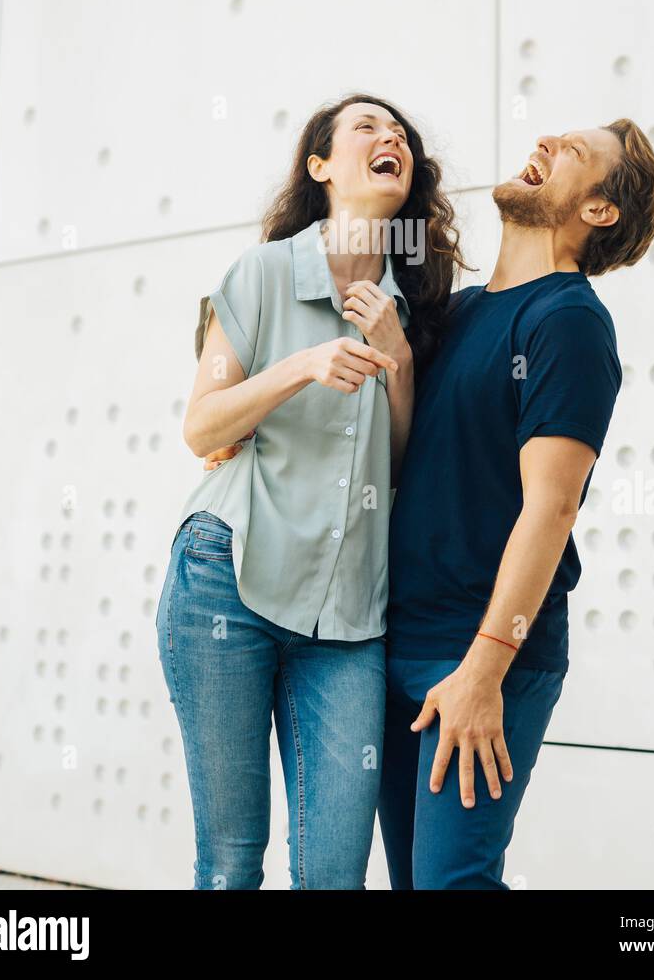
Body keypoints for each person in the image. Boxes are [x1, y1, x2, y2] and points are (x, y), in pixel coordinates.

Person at [155, 92, 465, 889]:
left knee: (333, 876)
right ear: (321, 166)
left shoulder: (411, 310)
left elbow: (394, 471)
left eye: (399, 132)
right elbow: (202, 428)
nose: (389, 134)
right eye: (367, 126)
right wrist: (301, 365)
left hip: (350, 620)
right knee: (229, 864)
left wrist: (394, 355)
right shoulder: (262, 273)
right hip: (228, 577)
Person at [378, 119, 654, 890]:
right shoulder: (465, 312)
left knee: (451, 885)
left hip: (480, 652)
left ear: (600, 210)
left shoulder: (567, 321)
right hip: (400, 639)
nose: (545, 141)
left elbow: (552, 508)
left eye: (572, 151)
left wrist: (482, 672)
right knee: (416, 883)